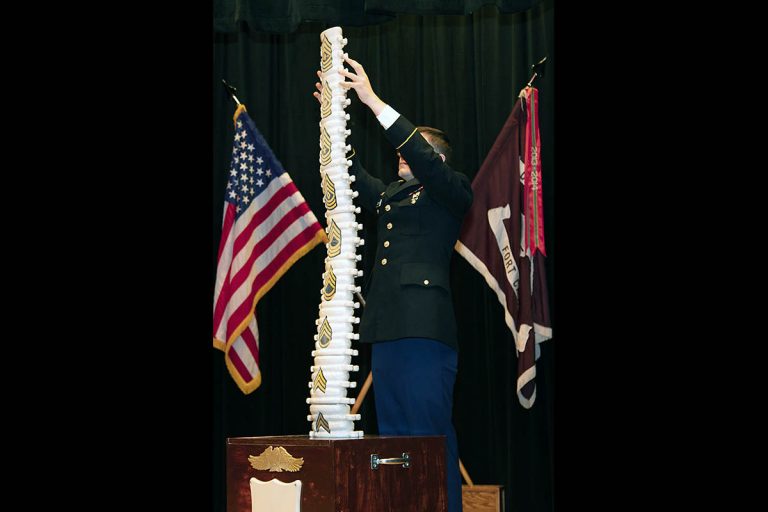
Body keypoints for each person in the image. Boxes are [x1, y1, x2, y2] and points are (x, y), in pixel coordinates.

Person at [314, 56, 472, 512]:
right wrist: (333, 119)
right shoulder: (391, 196)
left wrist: (372, 100)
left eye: (413, 147)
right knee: (395, 446)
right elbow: (352, 178)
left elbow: (421, 156)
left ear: (435, 159)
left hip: (424, 330)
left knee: (428, 436)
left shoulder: (450, 188)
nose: (400, 152)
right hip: (386, 330)